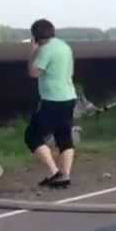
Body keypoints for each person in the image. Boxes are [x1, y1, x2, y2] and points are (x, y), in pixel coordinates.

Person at [26, 19, 78, 188]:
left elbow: (33, 73)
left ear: (35, 37)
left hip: (52, 100)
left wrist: (33, 52)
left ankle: (54, 172)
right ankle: (65, 176)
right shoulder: (64, 46)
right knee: (64, 137)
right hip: (69, 97)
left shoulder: (45, 50)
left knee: (32, 137)